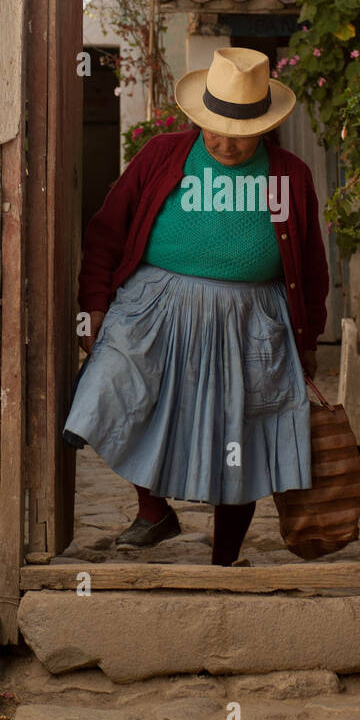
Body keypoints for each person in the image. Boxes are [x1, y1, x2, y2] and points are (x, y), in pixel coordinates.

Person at [63, 46, 329, 566]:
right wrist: (93, 304)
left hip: (252, 320)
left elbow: (310, 264)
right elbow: (107, 230)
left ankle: (225, 559)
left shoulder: (287, 176)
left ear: (265, 128)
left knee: (243, 436)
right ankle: (153, 509)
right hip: (156, 308)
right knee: (115, 388)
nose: (227, 143)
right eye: (215, 130)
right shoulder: (163, 156)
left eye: (240, 133)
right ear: (199, 118)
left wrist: (308, 340)